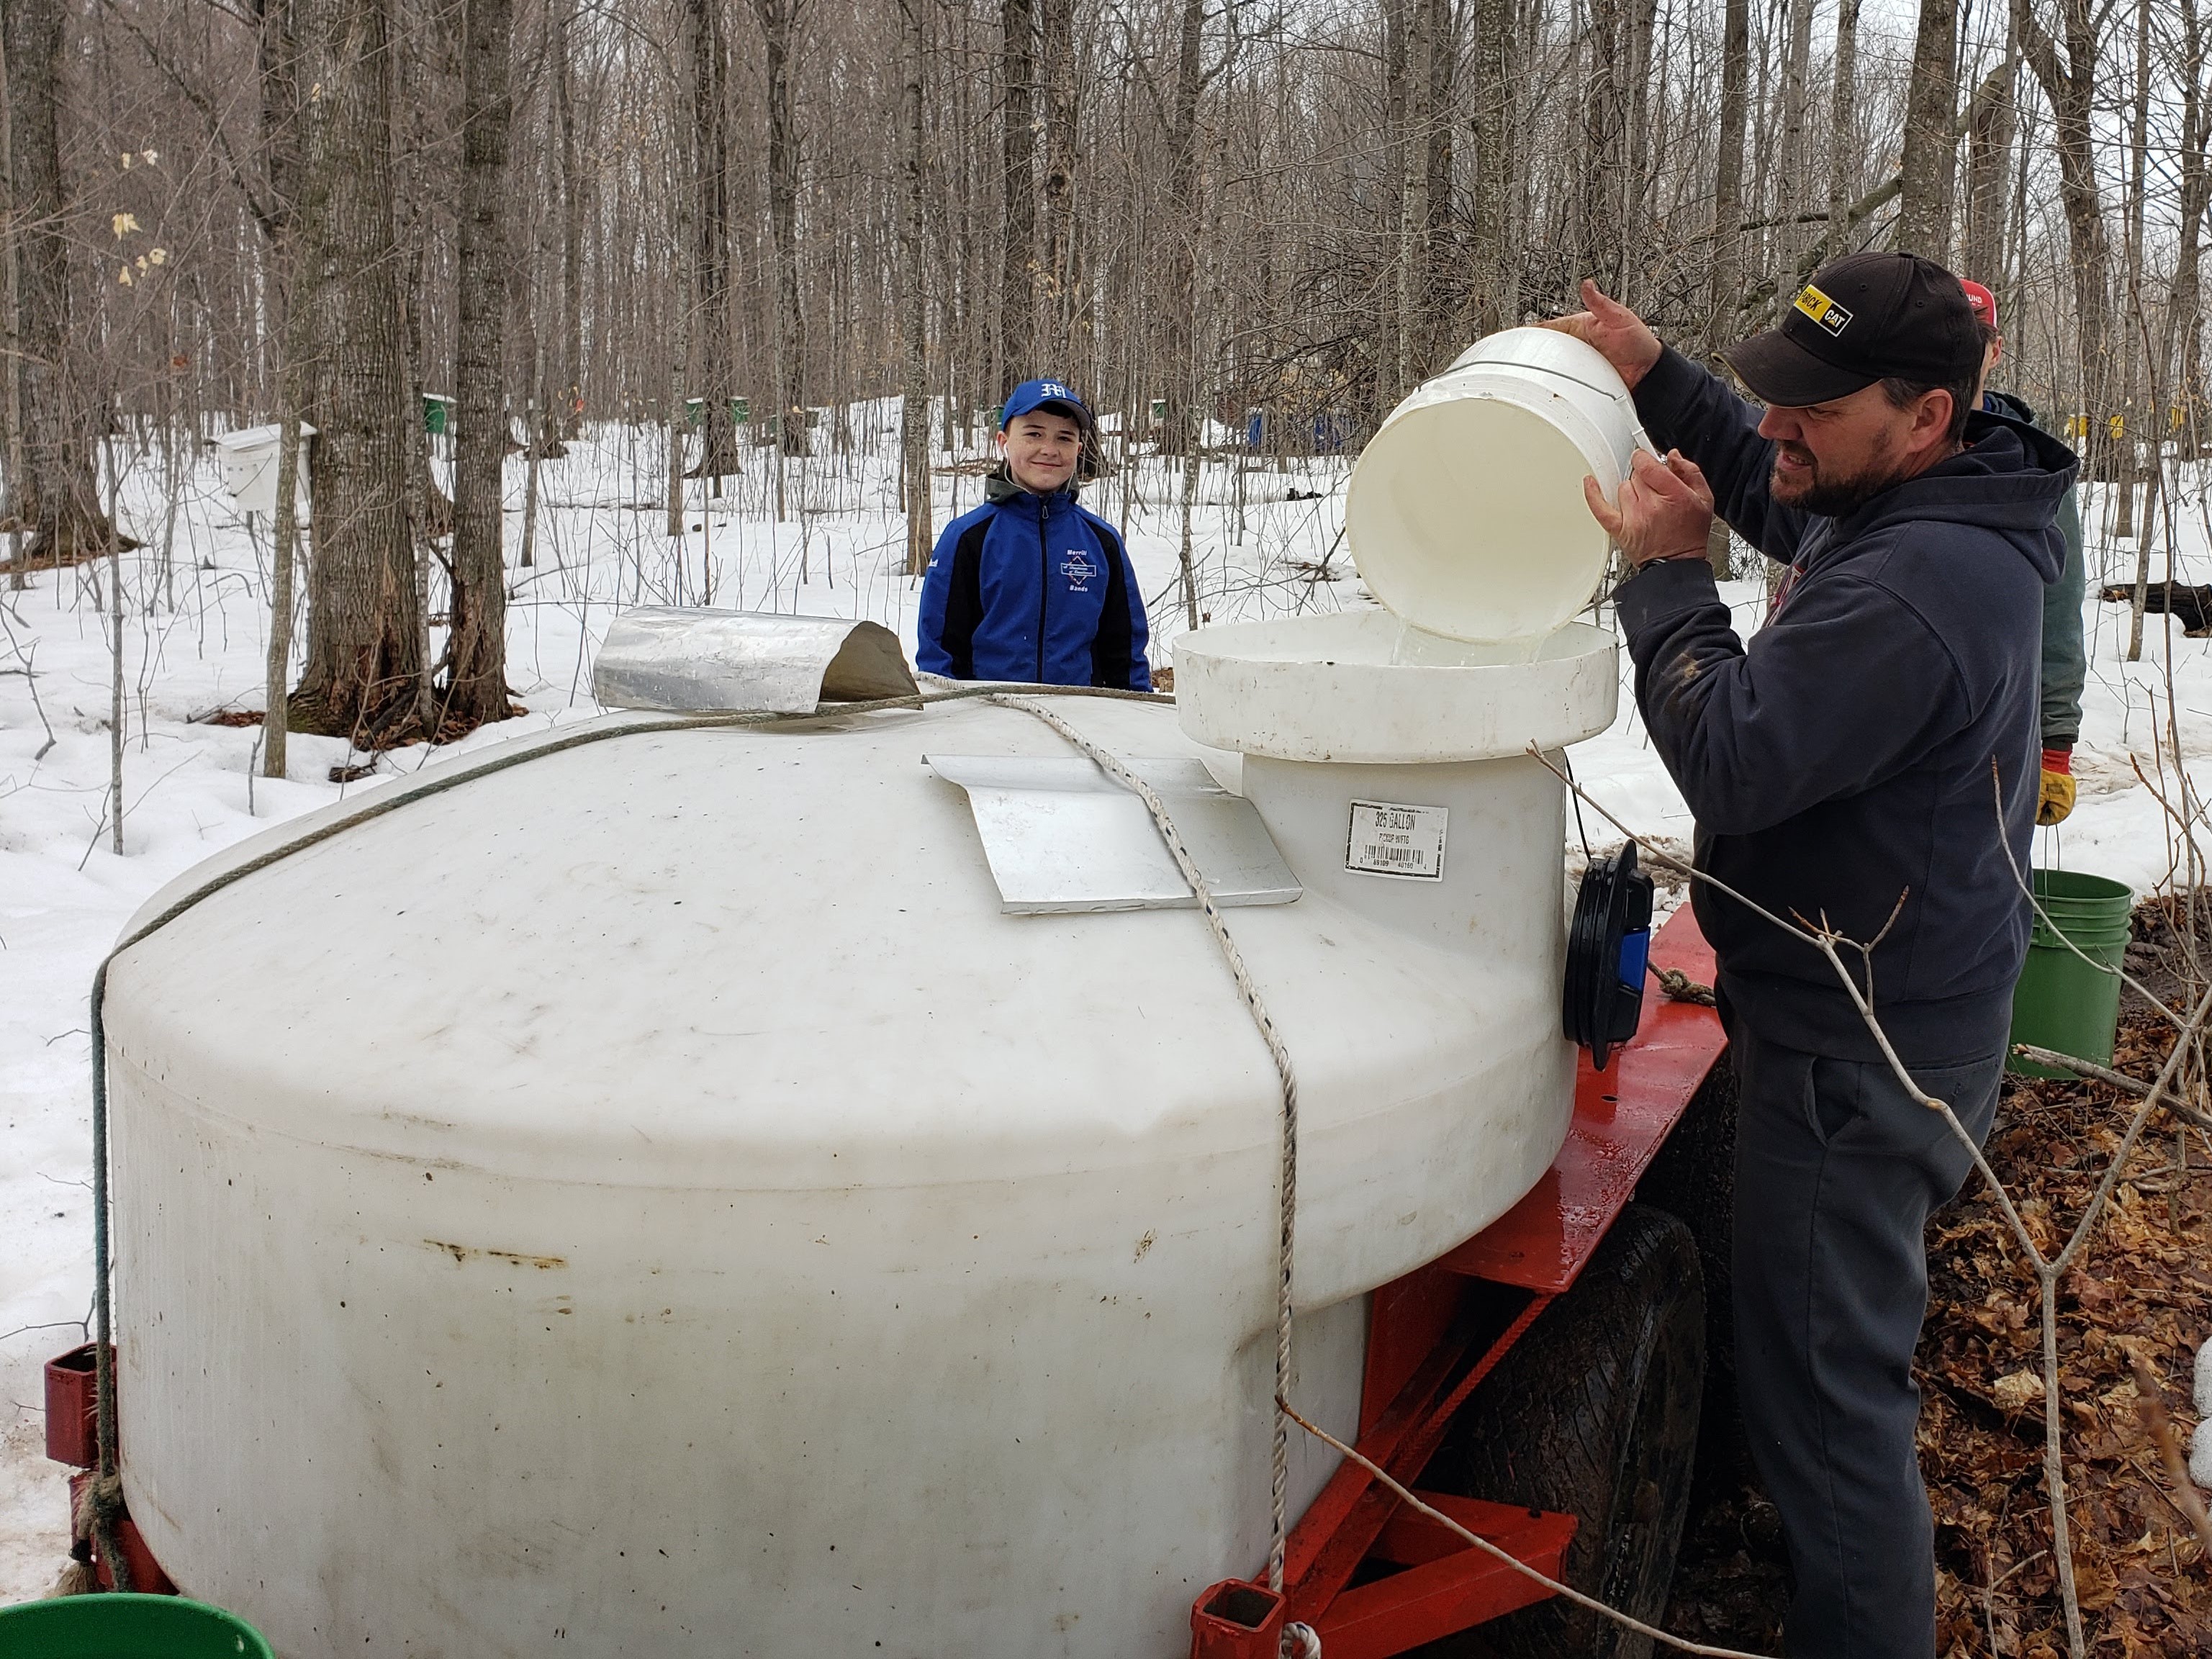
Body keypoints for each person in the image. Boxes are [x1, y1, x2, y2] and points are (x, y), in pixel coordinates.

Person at [1547, 252, 2077, 1658]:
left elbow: (1734, 751)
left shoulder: (1914, 589)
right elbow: (1787, 489)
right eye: (1772, 395)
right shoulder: (1925, 492)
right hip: (1898, 993)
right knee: (1821, 1356)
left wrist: (1665, 579)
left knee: (1825, 1397)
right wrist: (1660, 374)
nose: (1776, 432)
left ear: (1923, 416)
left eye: (1814, 413)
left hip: (1866, 1046)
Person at [916, 379, 1151, 690]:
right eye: (1033, 434)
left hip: (1081, 716)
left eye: (1064, 438)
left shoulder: (1101, 541)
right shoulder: (968, 537)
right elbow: (940, 652)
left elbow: (1125, 651)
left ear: (1079, 449)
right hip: (985, 717)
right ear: (1004, 441)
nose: (1049, 450)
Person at [1961, 278, 2087, 826]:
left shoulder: (2033, 462)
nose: (1959, 352)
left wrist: (2054, 743)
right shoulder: (1884, 441)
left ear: (1996, 348)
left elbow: (2059, 601)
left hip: (1997, 721)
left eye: (1974, 338)